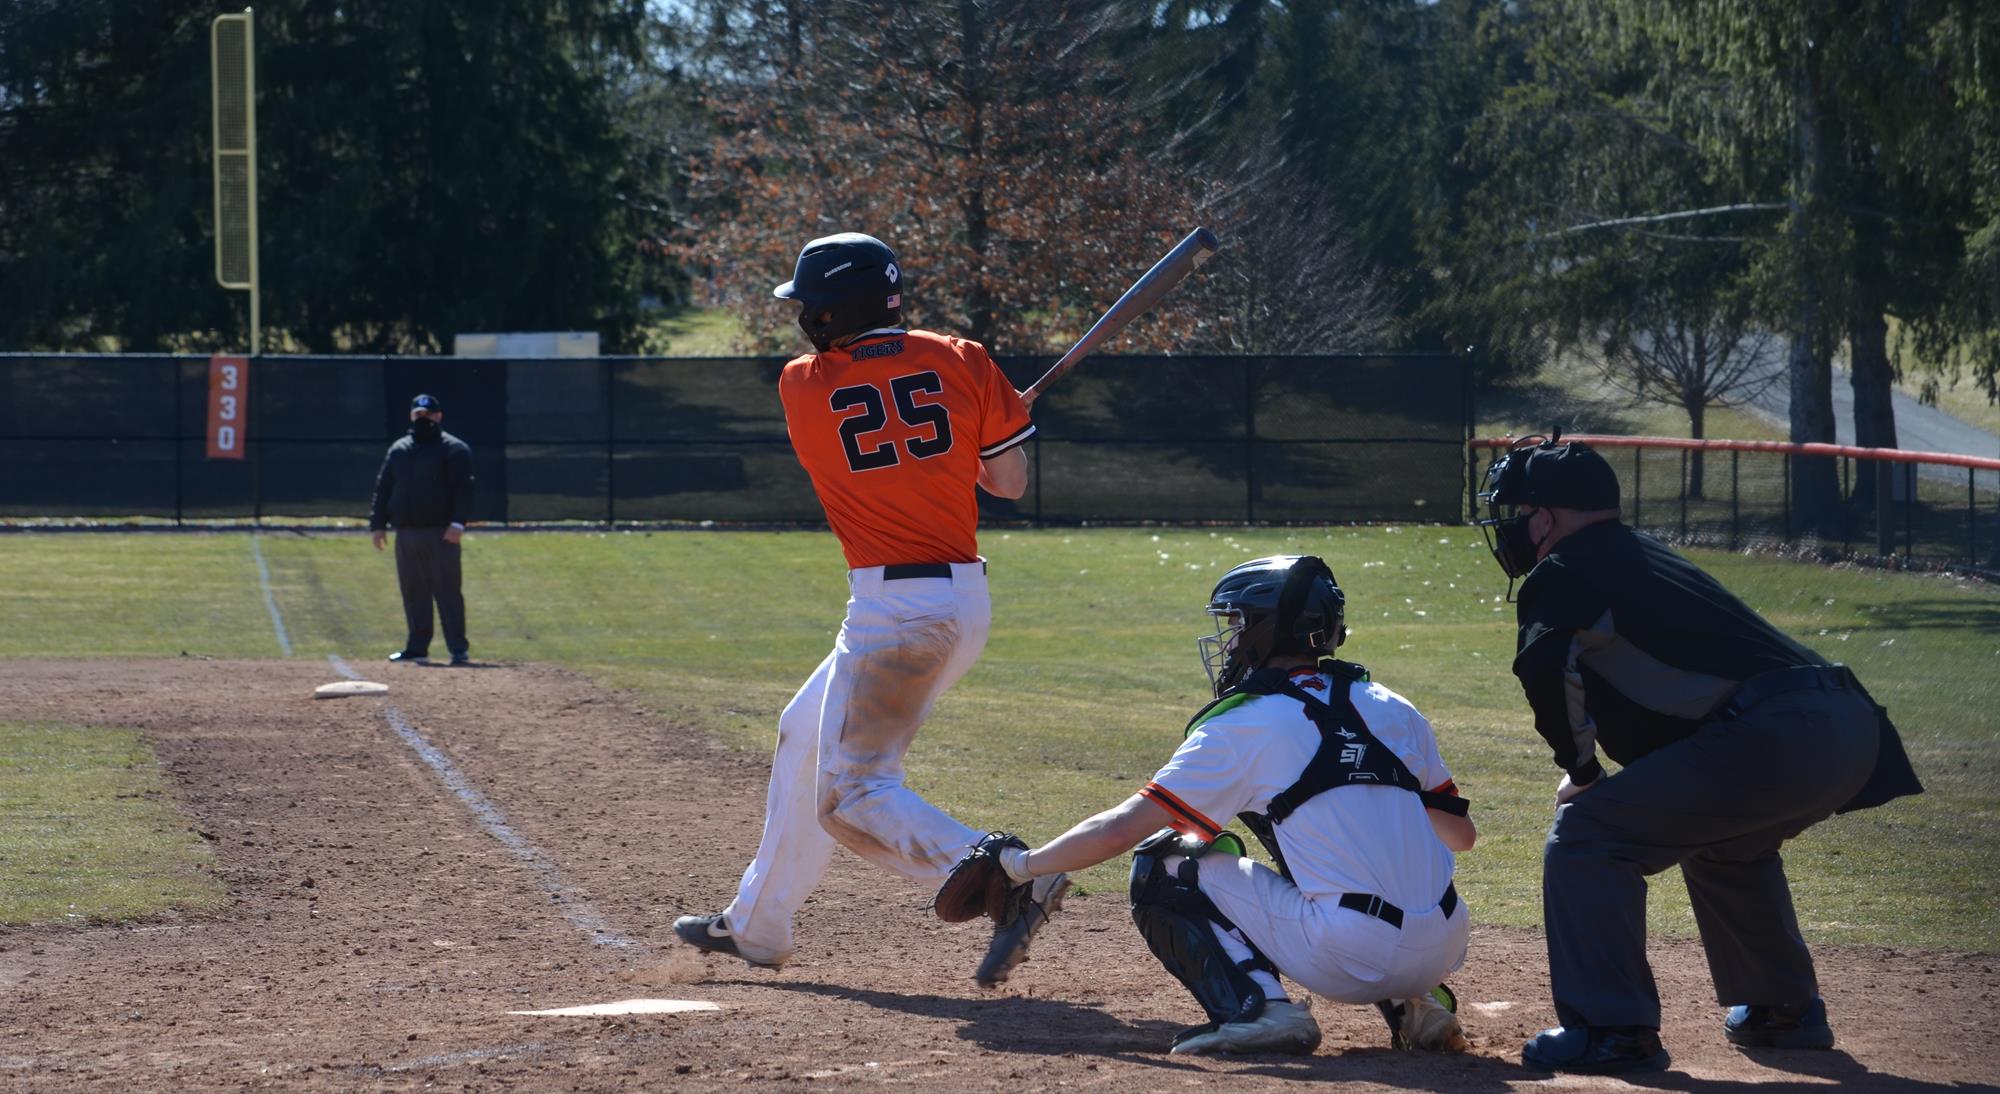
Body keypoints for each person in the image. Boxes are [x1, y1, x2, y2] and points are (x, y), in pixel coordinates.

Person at [673, 231, 1059, 985]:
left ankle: (1012, 872)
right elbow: (1006, 483)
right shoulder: (964, 358)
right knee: (802, 734)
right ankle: (759, 924)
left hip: (898, 615)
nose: (803, 318)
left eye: (810, 306)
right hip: (954, 599)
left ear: (831, 314)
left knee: (852, 793)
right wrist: (983, 428)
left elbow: (880, 431)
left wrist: (967, 432)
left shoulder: (800, 385)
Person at [1477, 434, 1924, 1075]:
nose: (1515, 527)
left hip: (1777, 731)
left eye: (1519, 512)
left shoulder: (1565, 569)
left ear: (1546, 518)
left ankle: (1612, 1030)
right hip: (1848, 723)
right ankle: (1781, 1009)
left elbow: (1547, 669)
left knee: (1586, 836)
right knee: (1727, 843)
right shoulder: (1645, 553)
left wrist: (1582, 774)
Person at [962, 555, 1476, 1055]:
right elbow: (1461, 835)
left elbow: (1121, 830)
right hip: (1445, 942)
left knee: (1166, 861)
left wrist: (1021, 865)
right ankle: (1420, 1004)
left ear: (1263, 630)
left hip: (1351, 957)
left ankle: (1261, 1010)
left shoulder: (1243, 722)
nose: (1229, 639)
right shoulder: (1391, 704)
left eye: (1236, 623)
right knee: (1327, 845)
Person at [369, 393, 475, 666]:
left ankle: (457, 649)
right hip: (407, 532)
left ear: (439, 417)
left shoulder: (453, 449)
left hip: (442, 533)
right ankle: (417, 647)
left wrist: (457, 523)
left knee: (447, 591)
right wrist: (377, 525)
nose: (423, 419)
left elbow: (464, 490)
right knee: (414, 591)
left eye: (428, 415)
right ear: (411, 416)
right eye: (418, 415)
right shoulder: (400, 449)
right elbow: (384, 488)